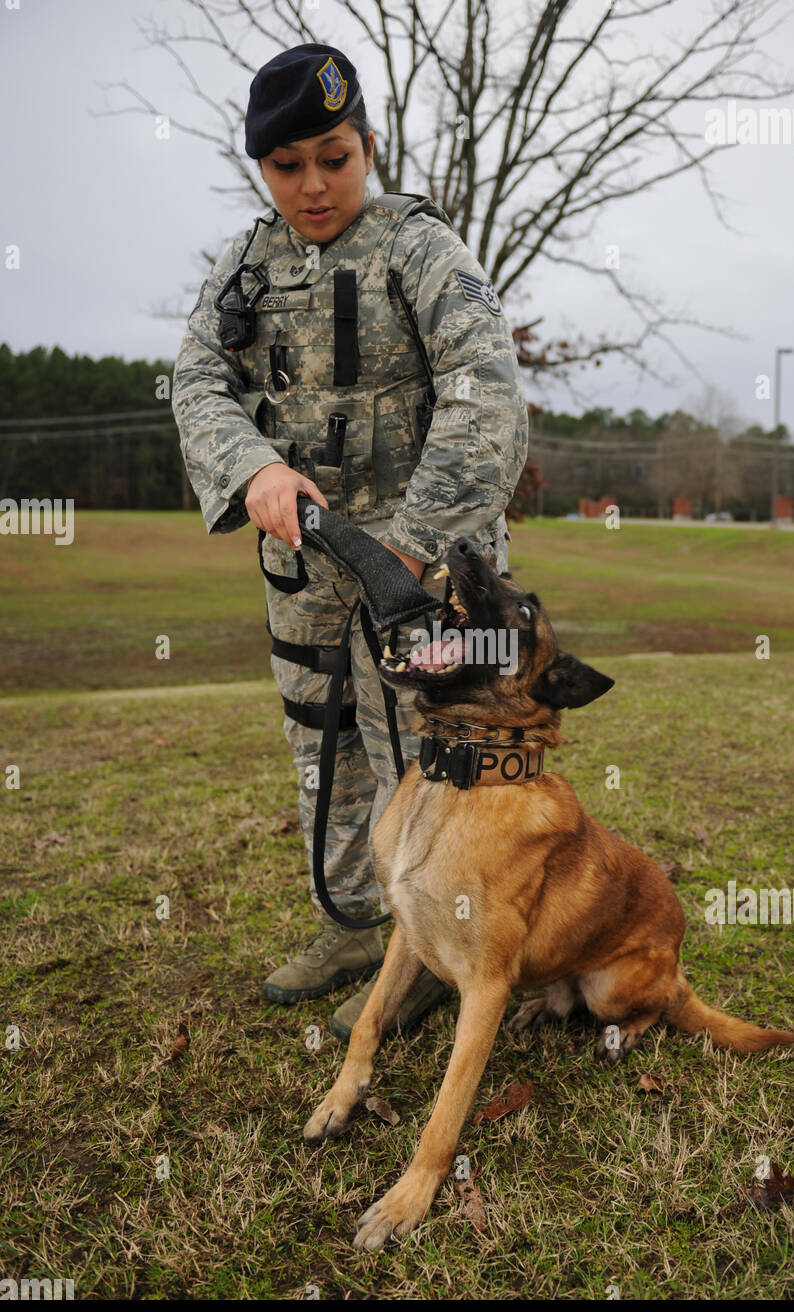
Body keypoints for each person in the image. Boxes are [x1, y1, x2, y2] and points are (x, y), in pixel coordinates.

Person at [171, 42, 527, 1039]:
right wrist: (252, 468)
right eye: (287, 166)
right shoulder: (244, 267)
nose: (314, 185)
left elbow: (488, 397)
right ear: (261, 167)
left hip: (427, 575)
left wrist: (409, 546)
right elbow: (195, 381)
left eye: (335, 157)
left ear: (368, 146)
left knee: (435, 759)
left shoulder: (420, 250)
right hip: (304, 575)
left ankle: (442, 951)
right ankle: (353, 927)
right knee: (322, 752)